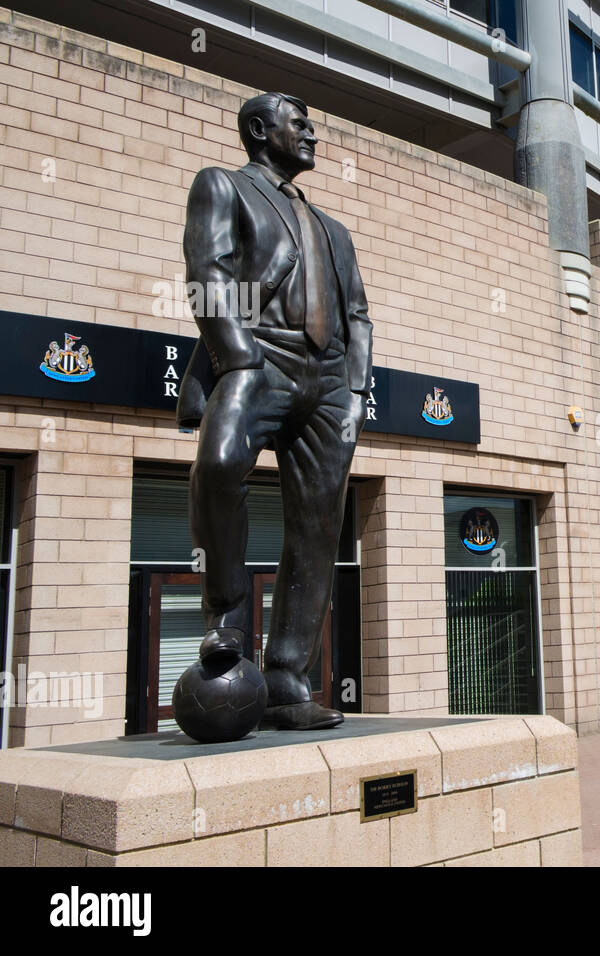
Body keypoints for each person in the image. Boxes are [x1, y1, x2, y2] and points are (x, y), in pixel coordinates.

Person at [176, 92, 372, 730]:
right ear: (260, 130)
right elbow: (208, 271)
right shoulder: (224, 187)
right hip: (262, 356)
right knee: (220, 463)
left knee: (319, 524)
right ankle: (227, 618)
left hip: (331, 383)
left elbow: (360, 317)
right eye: (300, 124)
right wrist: (237, 359)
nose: (313, 134)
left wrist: (357, 392)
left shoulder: (335, 230)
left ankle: (288, 677)